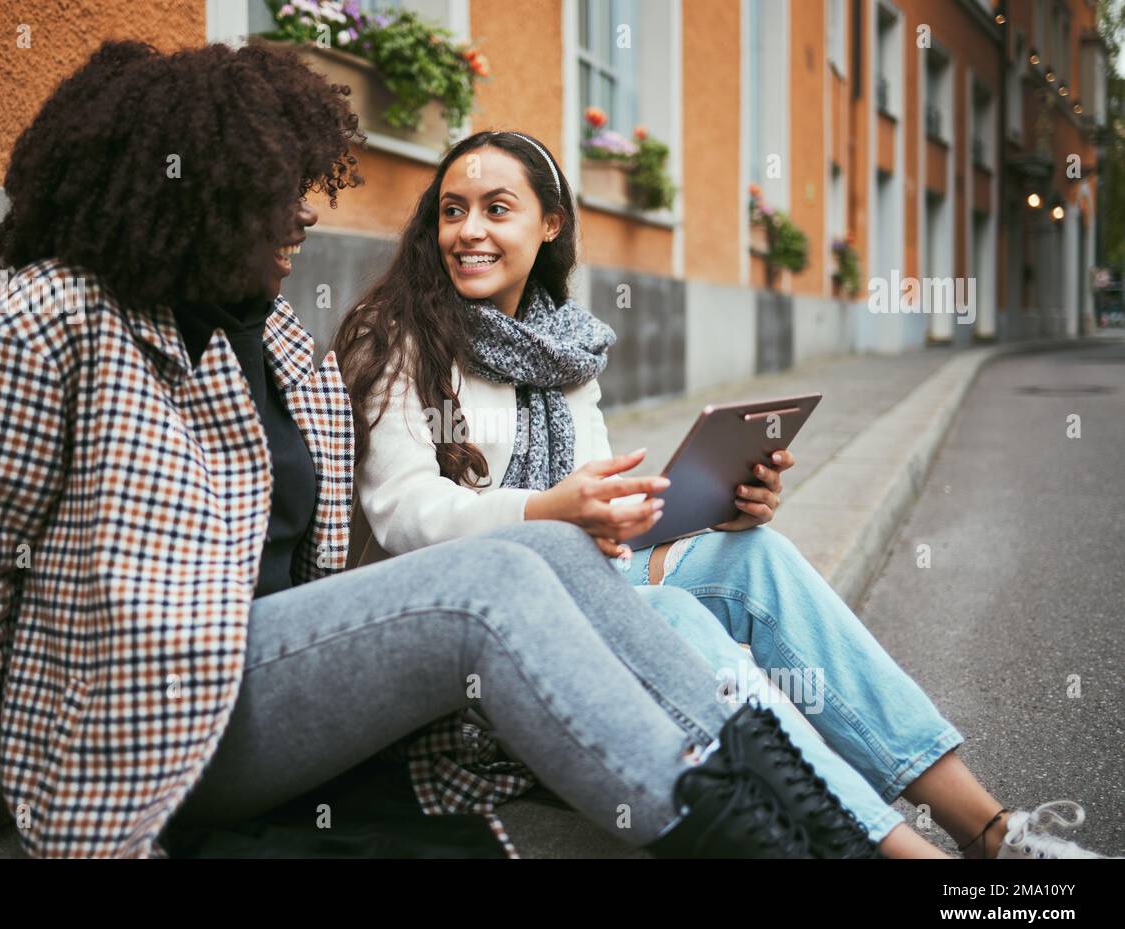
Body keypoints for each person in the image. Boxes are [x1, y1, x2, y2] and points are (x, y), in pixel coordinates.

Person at [0, 41, 874, 862]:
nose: (302, 210)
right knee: (492, 585)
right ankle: (752, 844)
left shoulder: (273, 337)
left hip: (274, 682)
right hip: (135, 716)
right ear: (193, 191)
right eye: (271, 189)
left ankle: (817, 831)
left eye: (301, 182)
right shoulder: (46, 319)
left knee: (547, 554)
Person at [334, 129, 1111, 860]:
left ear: (549, 226)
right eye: (452, 210)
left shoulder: (563, 350)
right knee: (668, 615)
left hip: (570, 588)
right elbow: (406, 517)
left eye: (497, 209)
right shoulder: (396, 334)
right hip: (467, 640)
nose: (468, 230)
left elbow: (602, 518)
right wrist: (550, 510)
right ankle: (894, 849)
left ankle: (991, 833)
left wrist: (712, 507)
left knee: (750, 551)